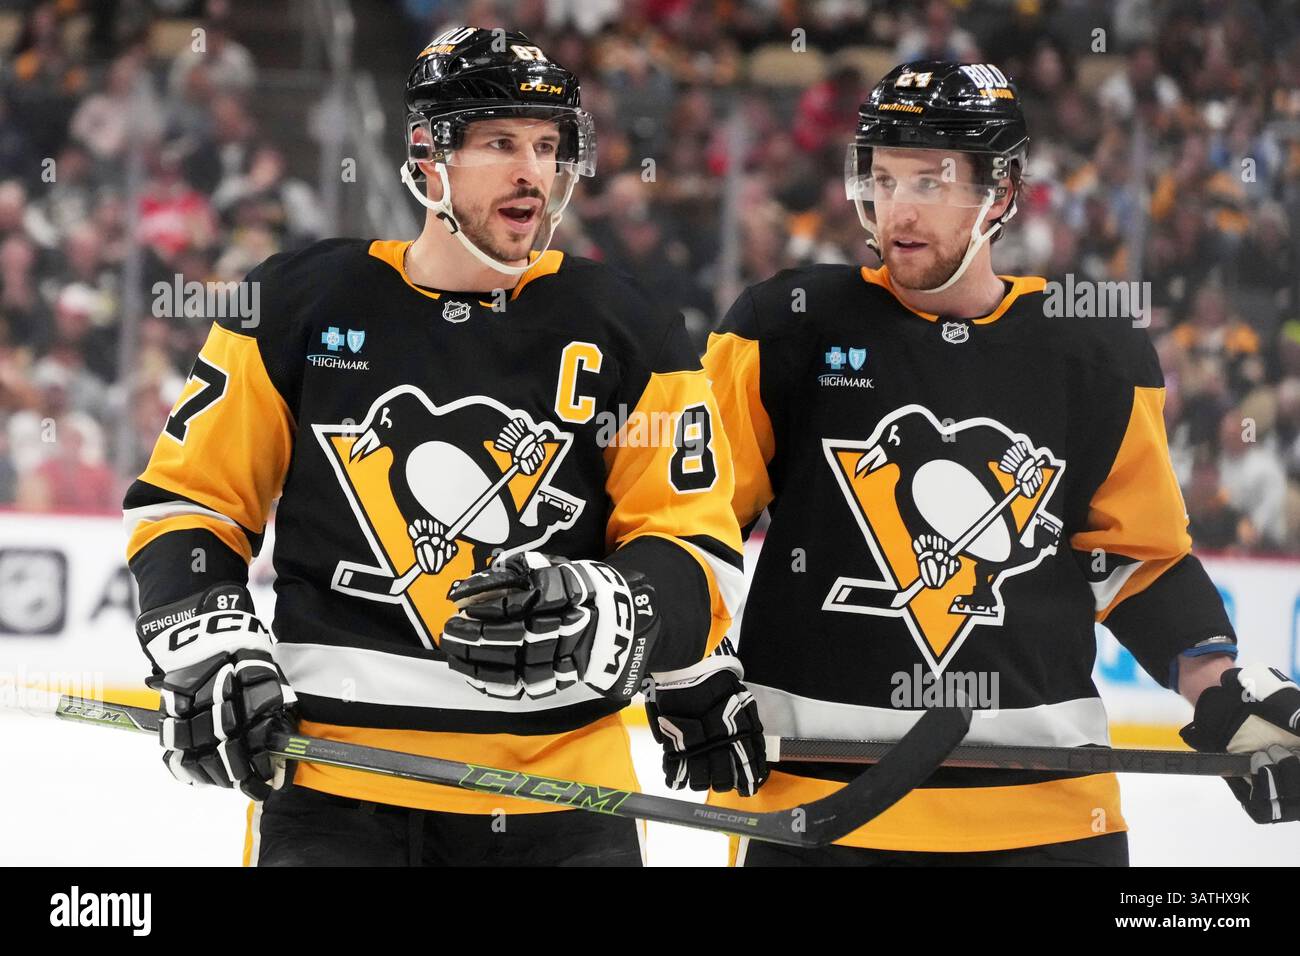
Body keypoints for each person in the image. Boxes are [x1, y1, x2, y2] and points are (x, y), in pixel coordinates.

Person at [650, 61, 1300, 866]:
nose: (900, 209)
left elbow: (1135, 563)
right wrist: (686, 665)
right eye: (884, 179)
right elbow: (689, 525)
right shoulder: (786, 328)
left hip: (1048, 817)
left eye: (932, 181)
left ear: (1001, 194)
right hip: (816, 808)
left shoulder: (1090, 353)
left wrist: (1222, 688)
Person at [123, 27, 744, 867]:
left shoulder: (629, 326)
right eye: (499, 143)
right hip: (334, 794)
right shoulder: (298, 303)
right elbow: (190, 502)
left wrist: (622, 608)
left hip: (560, 800)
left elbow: (693, 547)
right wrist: (209, 646)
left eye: (547, 145)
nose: (533, 171)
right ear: (426, 156)